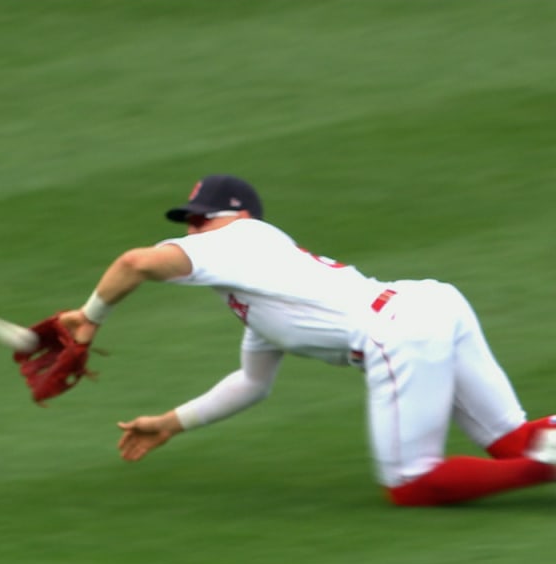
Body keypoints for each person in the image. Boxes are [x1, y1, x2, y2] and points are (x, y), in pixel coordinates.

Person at [56, 174, 556, 506]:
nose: (192, 226)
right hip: (428, 304)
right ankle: (541, 453)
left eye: (201, 217)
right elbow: (252, 383)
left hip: (398, 330)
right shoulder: (256, 287)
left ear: (239, 217)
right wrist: (169, 423)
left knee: (411, 483)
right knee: (509, 440)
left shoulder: (241, 240)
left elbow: (134, 264)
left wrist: (89, 318)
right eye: (189, 219)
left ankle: (545, 464)